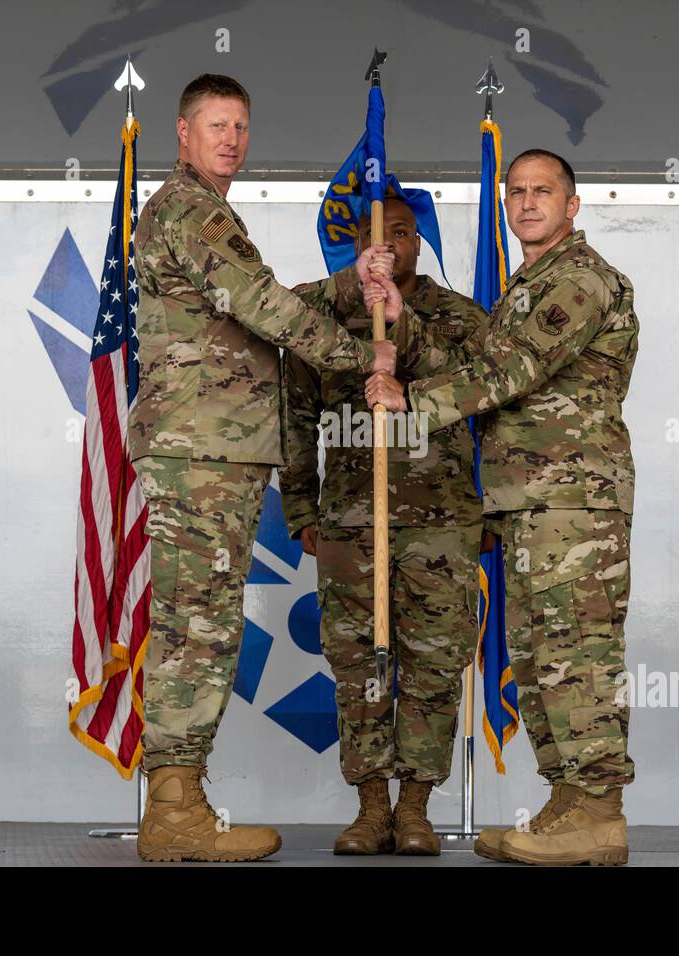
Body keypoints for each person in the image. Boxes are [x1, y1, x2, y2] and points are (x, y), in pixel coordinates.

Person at [129, 73, 396, 863]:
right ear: (183, 132)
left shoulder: (204, 215)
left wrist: (352, 282)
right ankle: (173, 808)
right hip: (200, 451)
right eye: (216, 125)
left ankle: (179, 799)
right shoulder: (188, 208)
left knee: (201, 623)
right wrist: (361, 359)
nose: (231, 140)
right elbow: (264, 307)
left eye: (241, 126)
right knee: (196, 628)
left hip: (216, 451)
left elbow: (251, 299)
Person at [362, 148, 639, 866]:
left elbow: (508, 370)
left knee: (577, 654)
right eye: (515, 191)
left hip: (573, 501)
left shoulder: (579, 279)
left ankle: (600, 813)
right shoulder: (527, 285)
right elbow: (482, 355)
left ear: (572, 205)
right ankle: (569, 803)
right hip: (528, 501)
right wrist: (404, 320)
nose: (525, 203)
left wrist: (410, 401)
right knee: (542, 656)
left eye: (542, 191)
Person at [281, 196, 487, 855]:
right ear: (355, 246)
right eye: (375, 234)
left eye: (401, 232)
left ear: (420, 242)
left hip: (442, 524)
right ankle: (372, 809)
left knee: (432, 668)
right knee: (359, 668)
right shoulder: (324, 315)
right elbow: (296, 422)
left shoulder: (459, 318)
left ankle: (417, 811)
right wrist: (299, 509)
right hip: (350, 523)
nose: (390, 244)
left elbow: (496, 402)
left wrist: (497, 516)